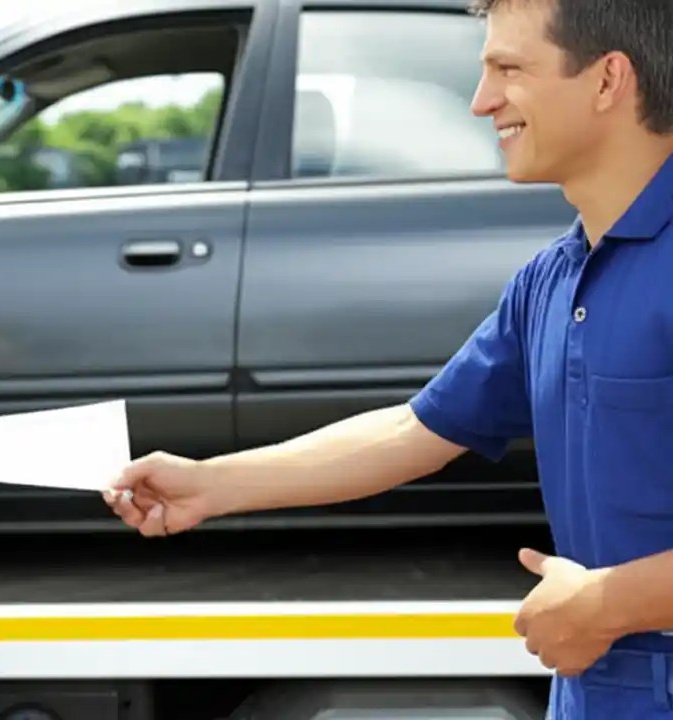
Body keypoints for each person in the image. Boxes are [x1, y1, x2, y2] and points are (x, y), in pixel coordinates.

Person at [105, 0, 673, 717]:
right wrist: (212, 485)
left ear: (607, 80)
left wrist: (612, 600)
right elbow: (415, 431)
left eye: (509, 69)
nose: (481, 101)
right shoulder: (549, 282)